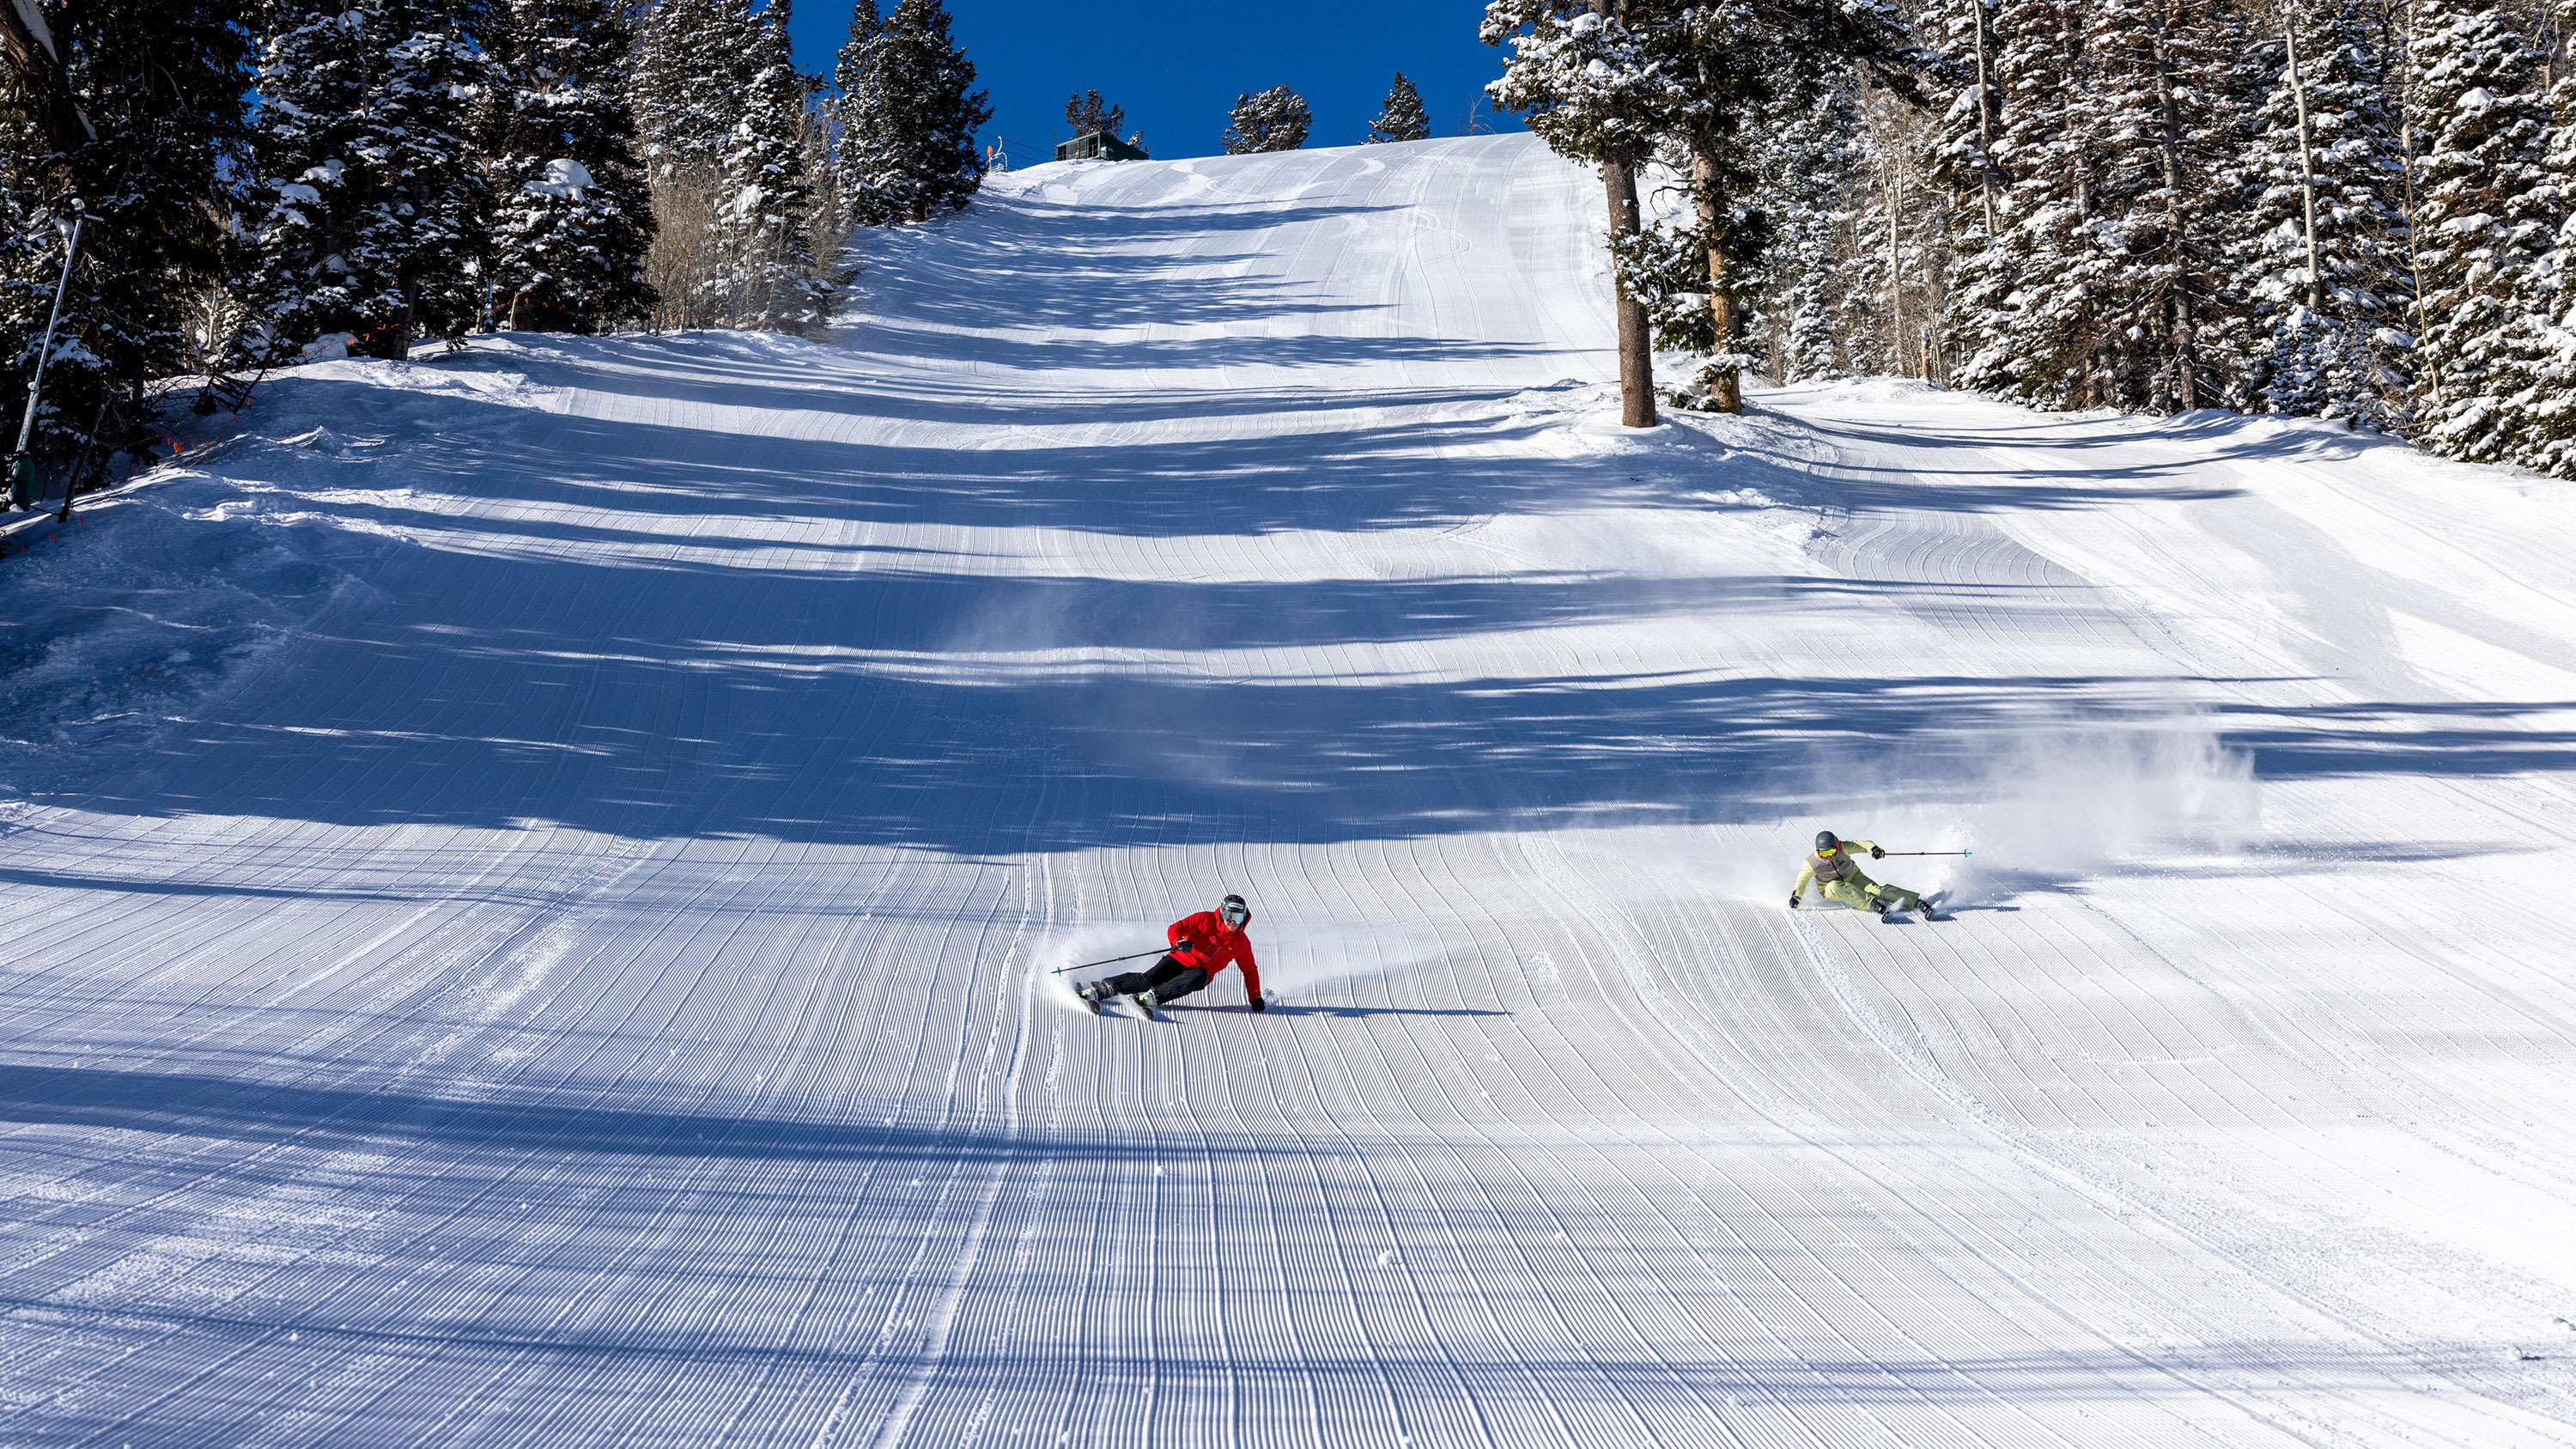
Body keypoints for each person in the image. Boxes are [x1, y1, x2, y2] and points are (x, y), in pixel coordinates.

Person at [1079, 893, 1267, 1012]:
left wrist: (1256, 997)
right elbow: (1175, 928)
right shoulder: (1204, 919)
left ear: (1244, 918)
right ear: (1223, 912)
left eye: (1237, 918)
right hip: (1178, 959)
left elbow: (1250, 971)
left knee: (1200, 975)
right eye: (1229, 916)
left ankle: (1153, 997)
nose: (1232, 922)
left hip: (1199, 973)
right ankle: (1100, 990)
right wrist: (1179, 942)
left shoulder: (1241, 943)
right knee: (1147, 980)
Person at [1789, 831, 1930, 917]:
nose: (1828, 857)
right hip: (1830, 889)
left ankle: (1916, 902)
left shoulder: (1843, 847)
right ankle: (1872, 904)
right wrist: (1796, 897)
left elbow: (1864, 844)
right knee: (1835, 886)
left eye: (1831, 853)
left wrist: (1874, 849)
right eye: (1824, 854)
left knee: (1877, 890)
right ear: (1817, 851)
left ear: (1836, 847)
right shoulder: (1812, 863)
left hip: (1853, 876)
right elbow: (1801, 881)